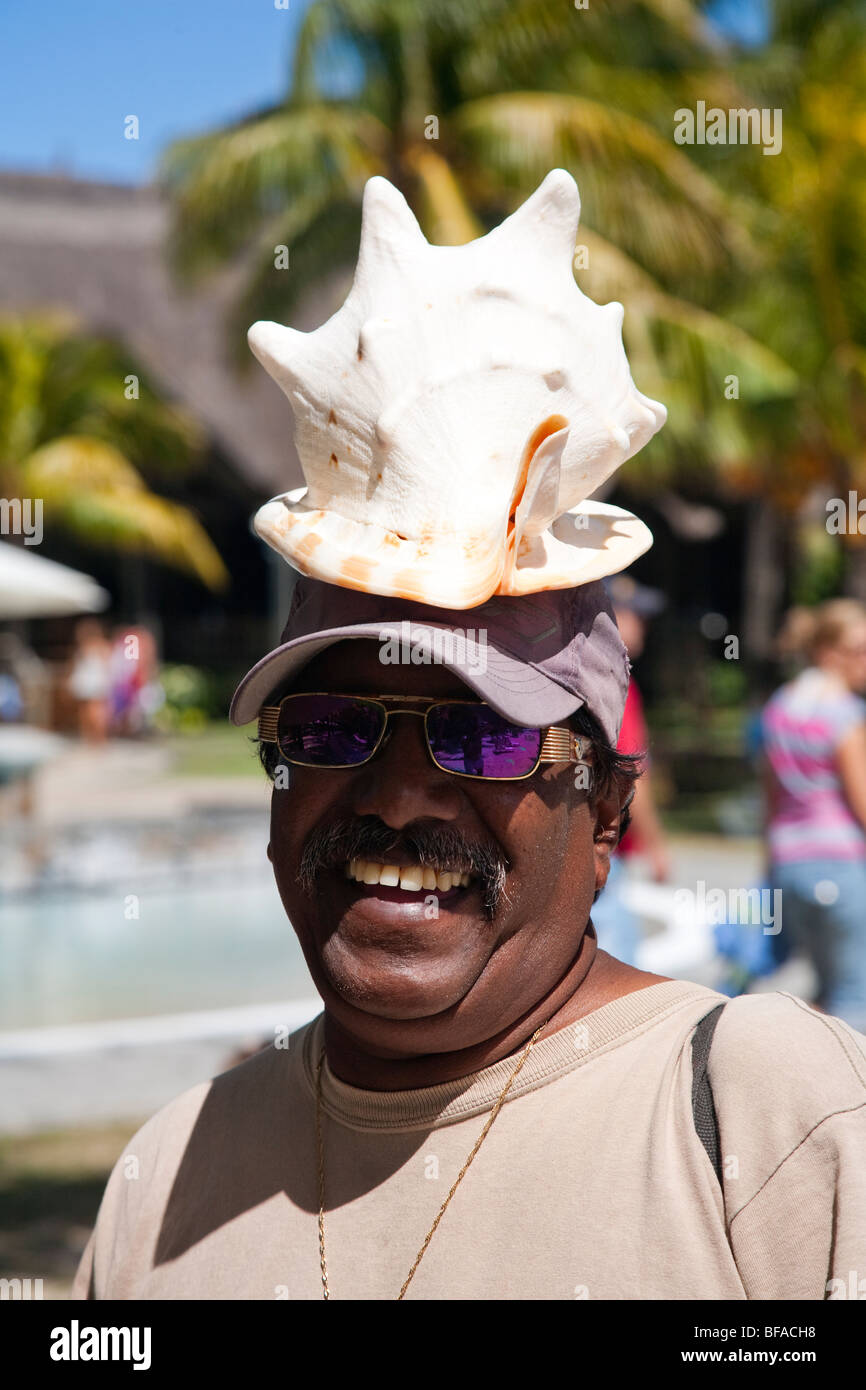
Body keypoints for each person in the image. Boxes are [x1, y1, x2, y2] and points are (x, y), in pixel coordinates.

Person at [73, 170, 866, 1301]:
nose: (397, 797)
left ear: (605, 813)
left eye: (484, 737)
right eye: (334, 727)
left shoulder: (770, 1121)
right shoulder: (164, 1180)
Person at [760, 599, 866, 1032]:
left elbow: (769, 797)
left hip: (790, 863)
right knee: (854, 995)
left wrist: (768, 864)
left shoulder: (780, 706)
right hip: (840, 863)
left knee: (819, 991)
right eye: (859, 650)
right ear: (828, 652)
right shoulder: (844, 713)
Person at [591, 576, 671, 964]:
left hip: (581, 842)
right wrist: (655, 845)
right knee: (616, 964)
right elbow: (630, 775)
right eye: (636, 613)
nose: (643, 624)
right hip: (605, 850)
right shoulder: (614, 682)